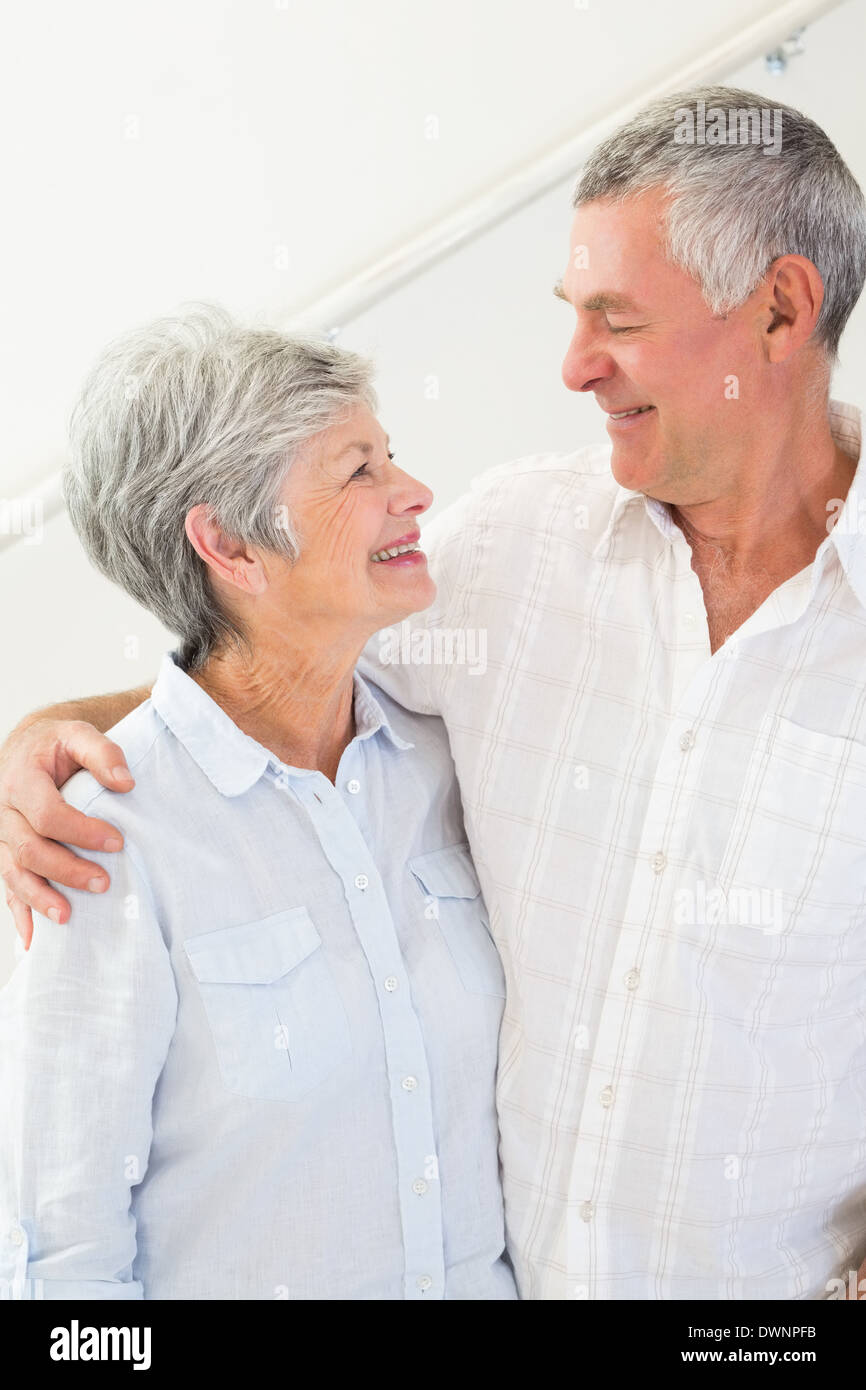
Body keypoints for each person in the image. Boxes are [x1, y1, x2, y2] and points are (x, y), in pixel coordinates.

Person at [4, 82, 866, 1300]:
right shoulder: (520, 546)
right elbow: (269, 666)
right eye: (570, 315)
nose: (570, 367)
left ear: (780, 310)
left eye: (614, 319)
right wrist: (41, 735)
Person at [0, 306, 516, 1300]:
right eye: (358, 470)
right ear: (230, 547)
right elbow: (61, 1258)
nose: (412, 492)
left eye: (390, 455)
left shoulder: (435, 757)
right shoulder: (104, 835)